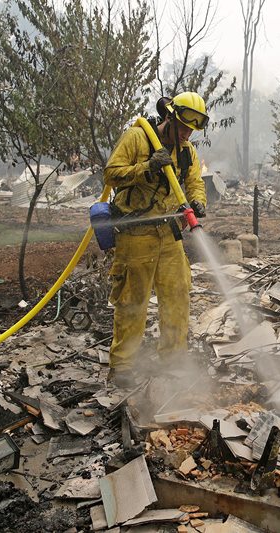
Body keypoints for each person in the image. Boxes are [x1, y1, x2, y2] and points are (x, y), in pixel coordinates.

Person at [103, 91, 209, 386]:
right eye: (183, 127)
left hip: (169, 234)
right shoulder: (138, 138)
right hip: (136, 234)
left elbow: (195, 183)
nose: (187, 134)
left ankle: (174, 362)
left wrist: (198, 202)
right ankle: (122, 367)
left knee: (177, 296)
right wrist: (146, 168)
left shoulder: (187, 150)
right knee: (132, 302)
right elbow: (111, 174)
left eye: (192, 130)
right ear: (169, 117)